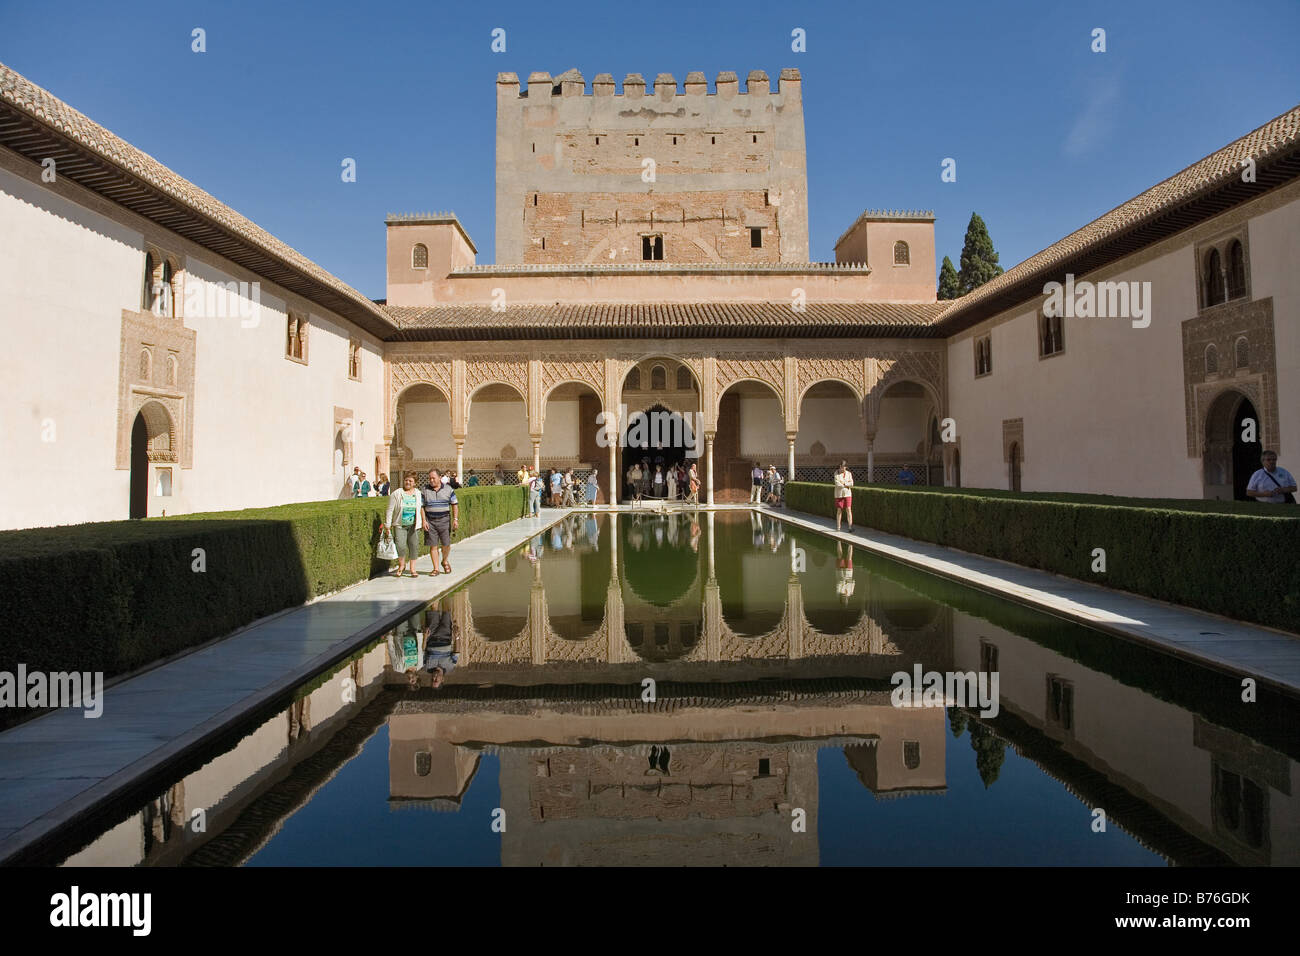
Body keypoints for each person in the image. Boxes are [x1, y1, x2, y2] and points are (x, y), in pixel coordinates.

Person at [381, 473, 426, 579]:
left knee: (414, 546)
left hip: (414, 525)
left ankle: (412, 568)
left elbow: (420, 508)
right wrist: (387, 525)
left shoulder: (418, 493)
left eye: (410, 481)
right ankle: (401, 565)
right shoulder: (397, 493)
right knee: (400, 546)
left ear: (415, 483)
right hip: (400, 524)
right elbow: (390, 510)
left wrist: (424, 521)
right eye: (406, 480)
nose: (408, 482)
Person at [422, 468, 459, 574]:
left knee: (446, 544)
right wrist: (424, 520)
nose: (431, 480)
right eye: (430, 478)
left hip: (444, 520)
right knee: (433, 545)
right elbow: (421, 506)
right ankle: (436, 568)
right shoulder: (425, 489)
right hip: (430, 521)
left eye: (433, 478)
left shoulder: (448, 489)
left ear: (439, 478)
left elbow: (454, 505)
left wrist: (455, 519)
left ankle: (445, 561)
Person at [423, 599, 459, 689]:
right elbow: (456, 652)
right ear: (442, 679)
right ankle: (447, 594)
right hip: (445, 636)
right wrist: (457, 636)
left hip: (431, 636)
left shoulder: (427, 667)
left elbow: (422, 651)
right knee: (447, 611)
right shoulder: (450, 667)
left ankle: (436, 589)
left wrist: (425, 637)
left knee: (433, 608)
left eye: (432, 680)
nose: (434, 678)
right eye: (436, 680)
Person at [834, 460, 854, 531]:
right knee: (839, 510)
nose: (844, 469)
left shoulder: (849, 474)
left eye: (845, 467)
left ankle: (850, 527)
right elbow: (837, 484)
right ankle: (838, 527)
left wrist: (844, 483)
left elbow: (851, 483)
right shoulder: (836, 473)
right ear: (840, 466)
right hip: (839, 494)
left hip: (847, 494)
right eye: (842, 467)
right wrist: (846, 484)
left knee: (848, 509)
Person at [835, 541, 856, 605]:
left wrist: (845, 582)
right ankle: (850, 543)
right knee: (849, 558)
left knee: (840, 556)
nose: (845, 598)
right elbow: (853, 582)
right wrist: (847, 582)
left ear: (841, 599)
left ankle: (838, 541)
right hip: (849, 573)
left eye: (844, 600)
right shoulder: (850, 592)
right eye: (846, 600)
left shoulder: (839, 591)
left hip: (840, 571)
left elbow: (839, 582)